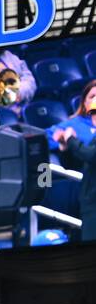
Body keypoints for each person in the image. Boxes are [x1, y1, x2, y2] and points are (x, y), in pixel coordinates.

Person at [52, 80, 96, 243]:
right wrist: (65, 149)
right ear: (84, 104)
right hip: (90, 205)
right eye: (92, 96)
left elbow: (92, 156)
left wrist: (71, 140)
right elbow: (77, 166)